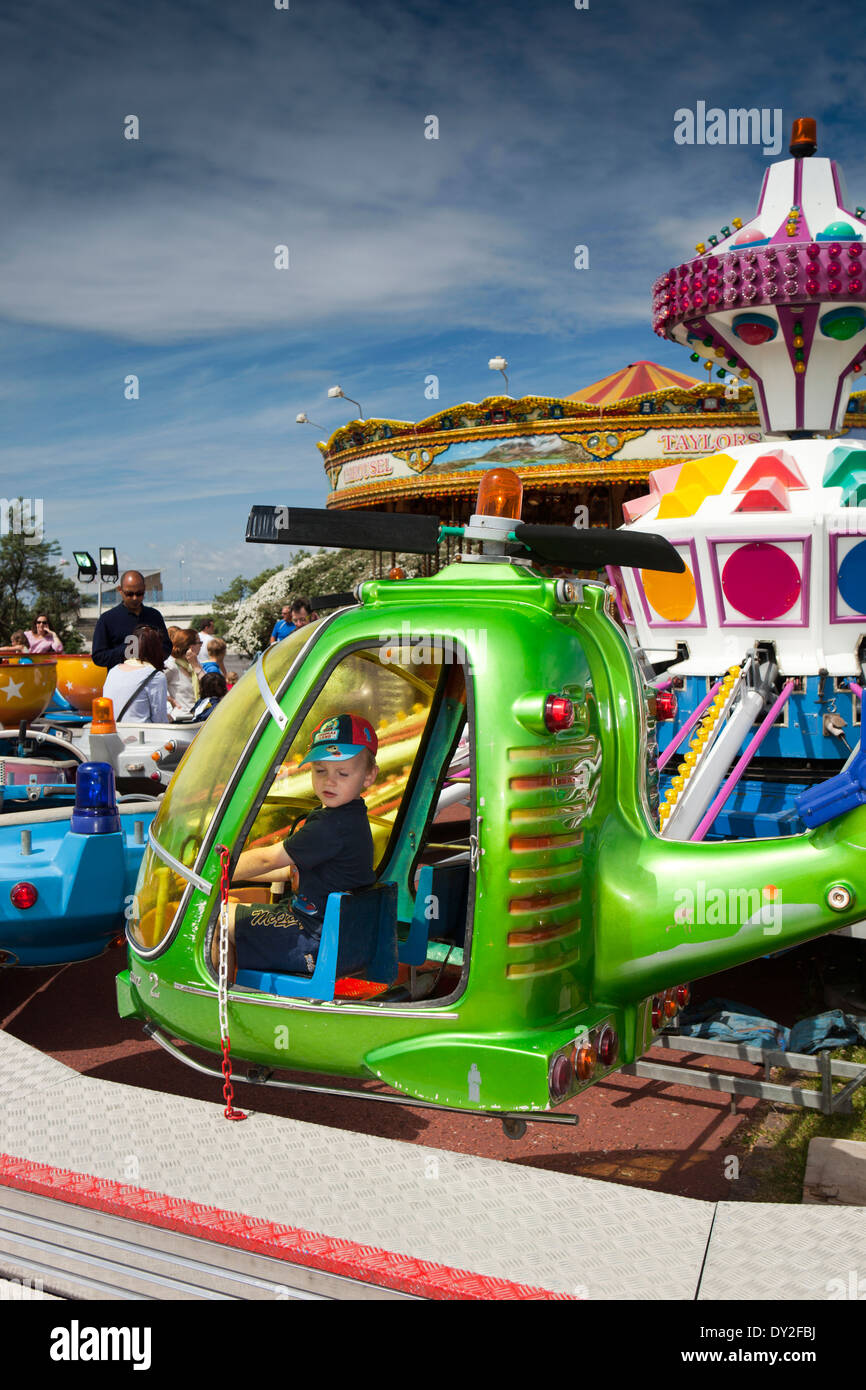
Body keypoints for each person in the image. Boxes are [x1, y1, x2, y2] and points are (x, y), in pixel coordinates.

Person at [212, 713, 378, 980]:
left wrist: (211, 870)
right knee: (230, 904)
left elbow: (268, 860)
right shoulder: (349, 818)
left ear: (369, 776)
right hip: (336, 939)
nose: (329, 780)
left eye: (343, 772)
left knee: (217, 920)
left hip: (314, 942)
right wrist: (230, 875)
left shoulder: (330, 827)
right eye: (320, 770)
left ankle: (222, 998)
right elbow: (287, 869)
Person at [92, 571, 172, 671]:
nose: (135, 598)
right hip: (121, 681)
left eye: (139, 593)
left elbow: (167, 647)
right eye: (129, 594)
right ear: (120, 590)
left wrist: (150, 652)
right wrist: (128, 650)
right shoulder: (107, 619)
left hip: (150, 679)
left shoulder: (154, 616)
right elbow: (98, 657)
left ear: (144, 589)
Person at [101, 625, 168, 724]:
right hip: (141, 735)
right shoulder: (155, 676)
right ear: (156, 649)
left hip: (113, 733)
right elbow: (160, 719)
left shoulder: (113, 671)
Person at [164, 629, 203, 717]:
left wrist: (196, 667)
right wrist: (170, 700)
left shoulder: (195, 664)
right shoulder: (171, 666)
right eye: (199, 642)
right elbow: (153, 687)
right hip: (182, 718)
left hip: (199, 716)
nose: (201, 645)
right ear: (190, 646)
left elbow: (209, 686)